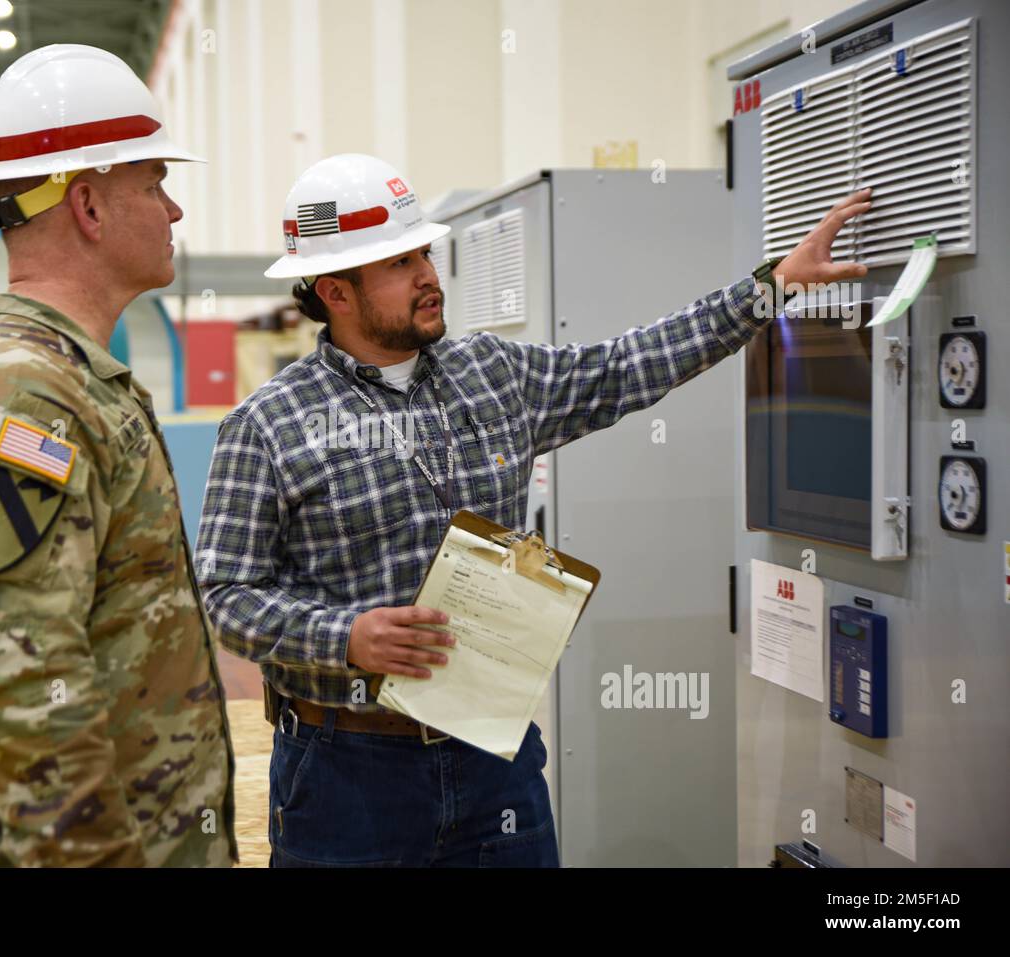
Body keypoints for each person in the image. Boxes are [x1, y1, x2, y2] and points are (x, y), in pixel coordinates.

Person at [195, 151, 869, 867]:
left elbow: (627, 365)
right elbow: (227, 594)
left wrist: (771, 289)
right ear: (335, 291)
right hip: (346, 776)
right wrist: (346, 634)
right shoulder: (268, 425)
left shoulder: (493, 372)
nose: (428, 273)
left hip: (494, 757)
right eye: (398, 263)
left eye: (424, 250)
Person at [0, 44, 236, 867]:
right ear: (87, 204)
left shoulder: (69, 380)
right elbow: (22, 683)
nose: (173, 210)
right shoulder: (26, 393)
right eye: (154, 184)